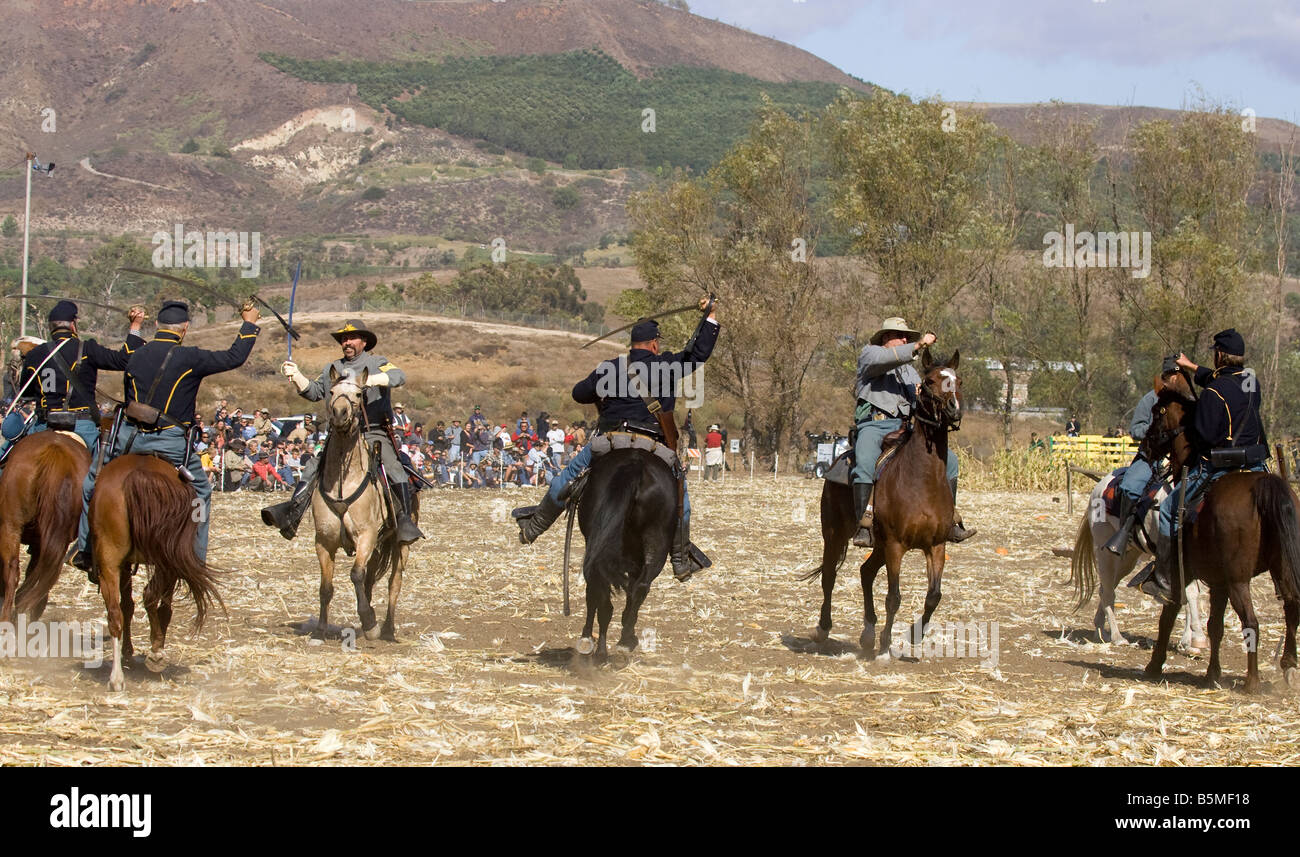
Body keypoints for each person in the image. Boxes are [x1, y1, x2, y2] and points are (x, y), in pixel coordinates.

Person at [513, 299, 719, 581]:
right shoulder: (668, 365)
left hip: (610, 441)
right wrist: (710, 315)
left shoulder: (610, 369)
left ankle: (535, 526)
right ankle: (681, 558)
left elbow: (578, 393)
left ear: (632, 345)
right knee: (681, 498)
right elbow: (698, 354)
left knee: (568, 476)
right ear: (654, 344)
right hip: (653, 446)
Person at [71, 300, 261, 576]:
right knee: (202, 494)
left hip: (131, 439)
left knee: (93, 482)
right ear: (184, 329)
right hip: (170, 441)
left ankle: (86, 549)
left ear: (157, 326)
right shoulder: (190, 357)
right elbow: (234, 357)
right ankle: (195, 557)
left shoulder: (135, 355)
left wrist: (134, 327)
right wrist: (249, 323)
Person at [1133, 329, 1267, 604]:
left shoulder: (1213, 392)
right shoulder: (1252, 381)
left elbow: (1203, 435)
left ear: (1219, 355)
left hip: (1221, 466)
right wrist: (1192, 367)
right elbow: (1222, 381)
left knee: (1170, 510)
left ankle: (1167, 580)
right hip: (1257, 464)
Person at [261, 319, 423, 544]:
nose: (346, 342)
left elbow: (399, 376)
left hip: (373, 431)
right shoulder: (331, 368)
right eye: (343, 339)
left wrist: (370, 380)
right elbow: (316, 392)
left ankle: (405, 520)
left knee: (394, 467)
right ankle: (292, 513)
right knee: (312, 467)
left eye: (351, 338)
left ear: (364, 342)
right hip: (339, 435)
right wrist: (297, 377)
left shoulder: (378, 362)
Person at [849, 317, 974, 548]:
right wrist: (919, 345)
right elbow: (887, 359)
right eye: (900, 335)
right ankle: (864, 525)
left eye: (908, 337)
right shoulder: (870, 354)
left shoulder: (910, 374)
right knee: (865, 460)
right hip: (875, 426)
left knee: (952, 462)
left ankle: (950, 521)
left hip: (905, 429)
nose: (906, 339)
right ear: (886, 337)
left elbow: (922, 403)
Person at [18, 301, 145, 452]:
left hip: (44, 424)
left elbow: (25, 393)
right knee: (104, 466)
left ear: (51, 327)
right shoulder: (87, 349)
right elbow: (124, 360)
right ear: (73, 325)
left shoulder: (34, 355)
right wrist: (135, 326)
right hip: (81, 425)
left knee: (7, 457)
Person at [1103, 356, 1181, 555]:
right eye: (1175, 375)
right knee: (1130, 487)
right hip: (1152, 457)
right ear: (1166, 377)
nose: (1178, 379)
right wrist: (1155, 429)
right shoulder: (1150, 399)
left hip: (1179, 458)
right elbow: (1135, 429)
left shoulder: (1185, 401)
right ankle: (1125, 533)